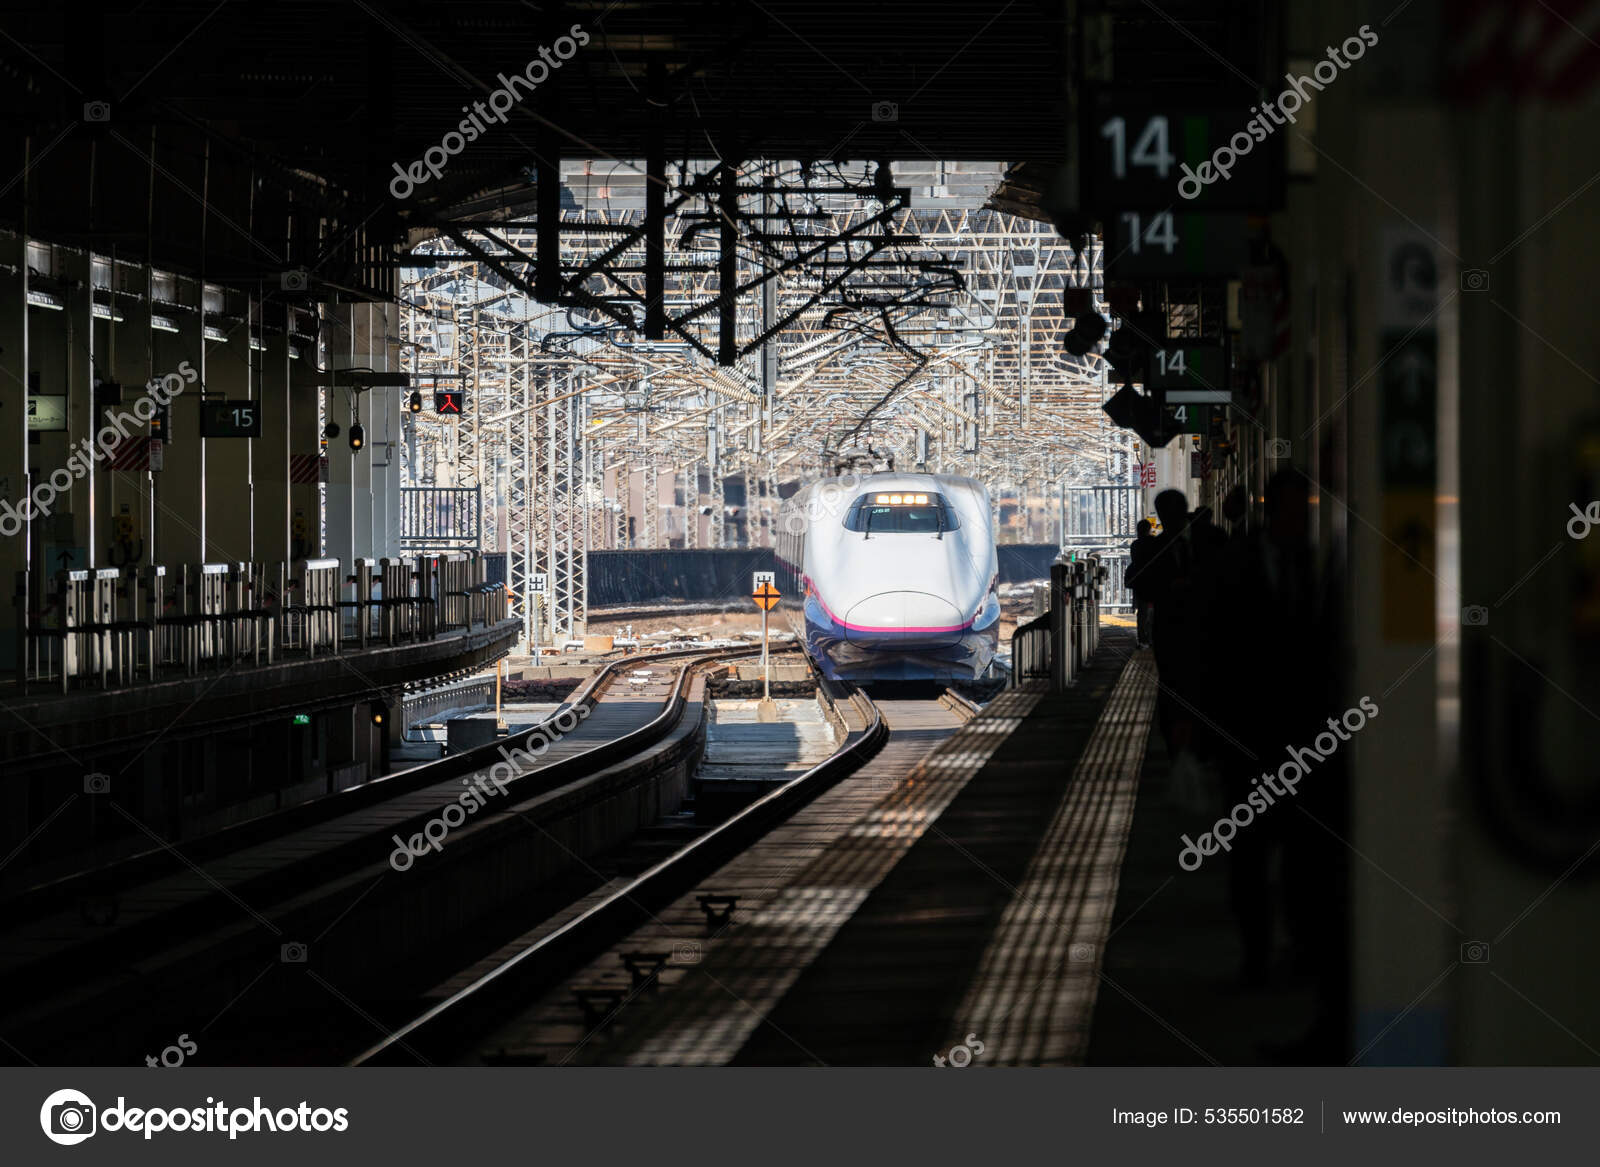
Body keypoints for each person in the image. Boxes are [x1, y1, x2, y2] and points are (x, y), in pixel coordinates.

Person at [1125, 519, 1156, 648]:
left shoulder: (1135, 545)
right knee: (1153, 611)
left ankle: (1142, 639)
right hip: (1154, 581)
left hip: (1139, 582)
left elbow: (1135, 561)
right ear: (1149, 529)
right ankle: (1151, 638)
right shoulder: (1154, 542)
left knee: (1142, 612)